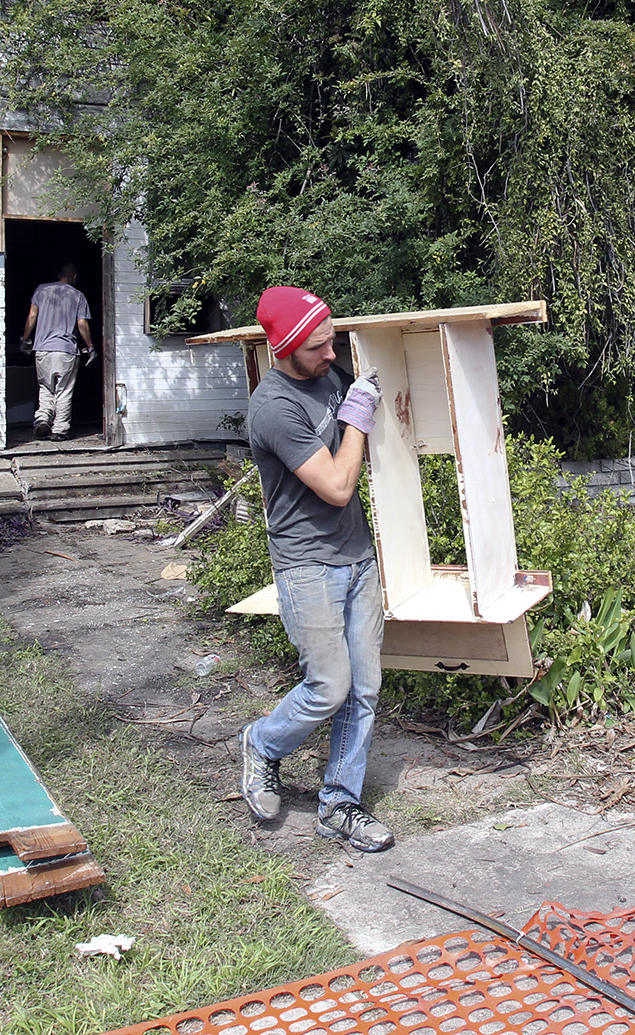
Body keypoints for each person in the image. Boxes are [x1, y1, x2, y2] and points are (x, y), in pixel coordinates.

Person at [239, 285, 393, 852]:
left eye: (333, 342)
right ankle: (262, 743)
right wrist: (357, 417)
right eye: (318, 349)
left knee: (365, 691)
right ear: (284, 348)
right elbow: (335, 485)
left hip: (357, 558)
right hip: (308, 564)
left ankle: (339, 806)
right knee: (329, 688)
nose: (332, 356)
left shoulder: (330, 369)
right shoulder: (274, 408)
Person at [22, 263, 93, 440]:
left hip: (43, 349)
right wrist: (90, 347)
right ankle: (59, 430)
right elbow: (82, 324)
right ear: (74, 277)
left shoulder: (41, 290)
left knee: (45, 386)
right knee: (64, 390)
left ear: (59, 274)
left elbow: (32, 316)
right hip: (66, 350)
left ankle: (42, 419)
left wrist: (25, 339)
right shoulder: (78, 296)